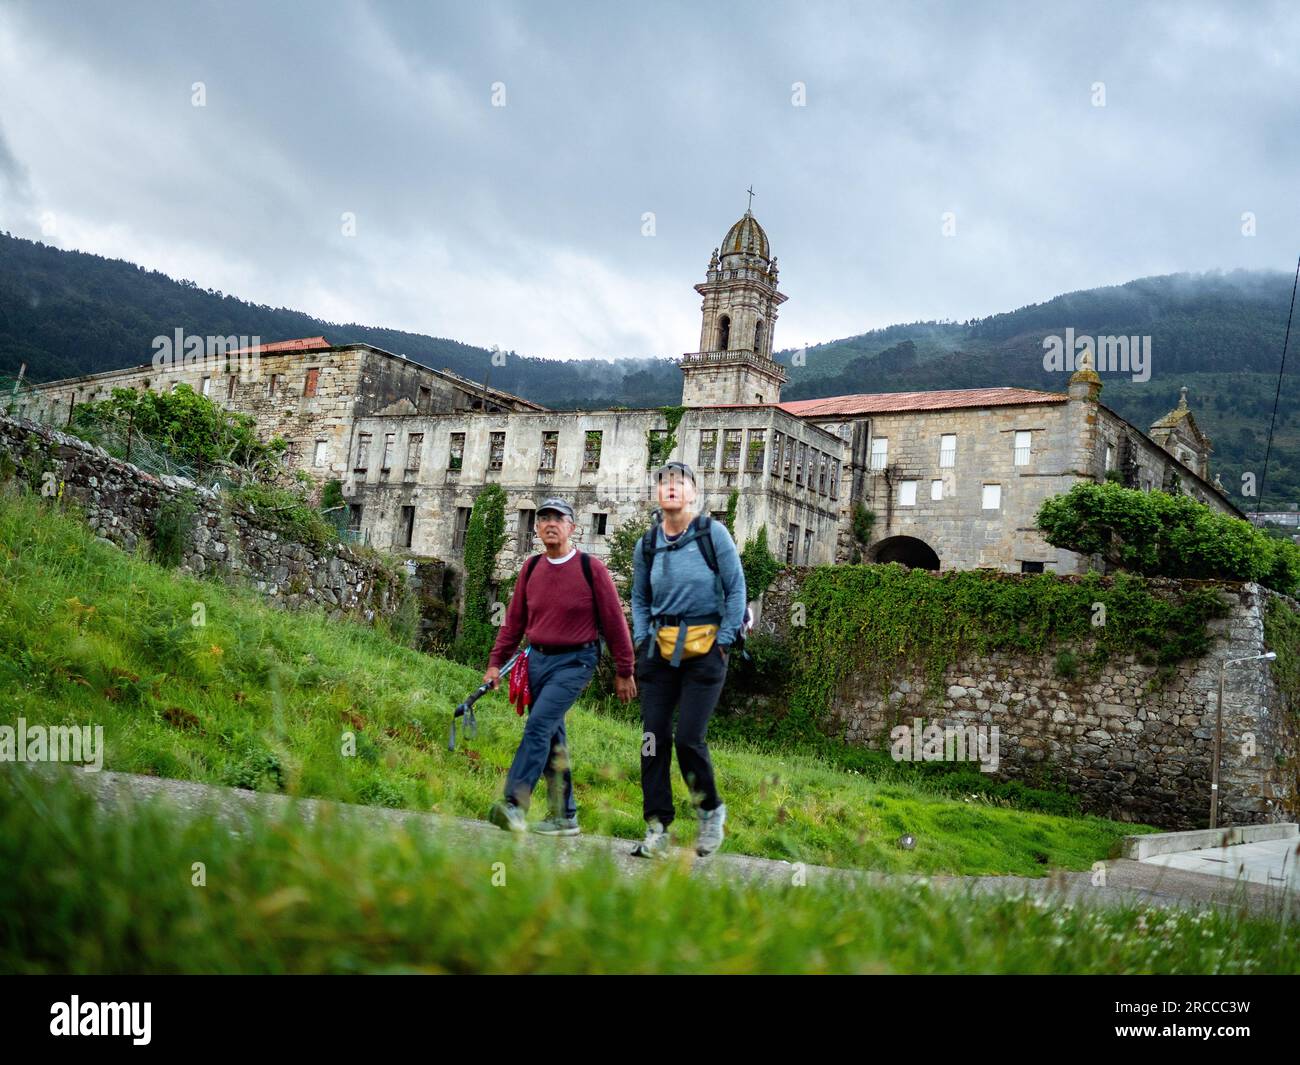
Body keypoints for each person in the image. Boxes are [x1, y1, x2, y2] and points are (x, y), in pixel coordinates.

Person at [485, 497, 636, 835]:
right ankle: (564, 816)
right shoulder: (532, 568)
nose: (550, 524)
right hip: (536, 659)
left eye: (558, 518)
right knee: (552, 738)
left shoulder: (590, 568)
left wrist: (624, 669)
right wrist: (496, 663)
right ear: (536, 528)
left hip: (575, 662)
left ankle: (514, 804)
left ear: (572, 527)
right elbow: (514, 623)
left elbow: (614, 622)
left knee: (538, 726)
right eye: (544, 519)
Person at [630, 461, 746, 858]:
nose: (671, 487)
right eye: (663, 482)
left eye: (680, 482)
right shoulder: (647, 544)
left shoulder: (714, 535)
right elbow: (640, 597)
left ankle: (710, 810)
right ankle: (657, 828)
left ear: (694, 493)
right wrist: (642, 638)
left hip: (706, 651)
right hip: (658, 652)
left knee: (688, 739)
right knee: (652, 740)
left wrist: (725, 641)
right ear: (657, 493)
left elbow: (736, 590)